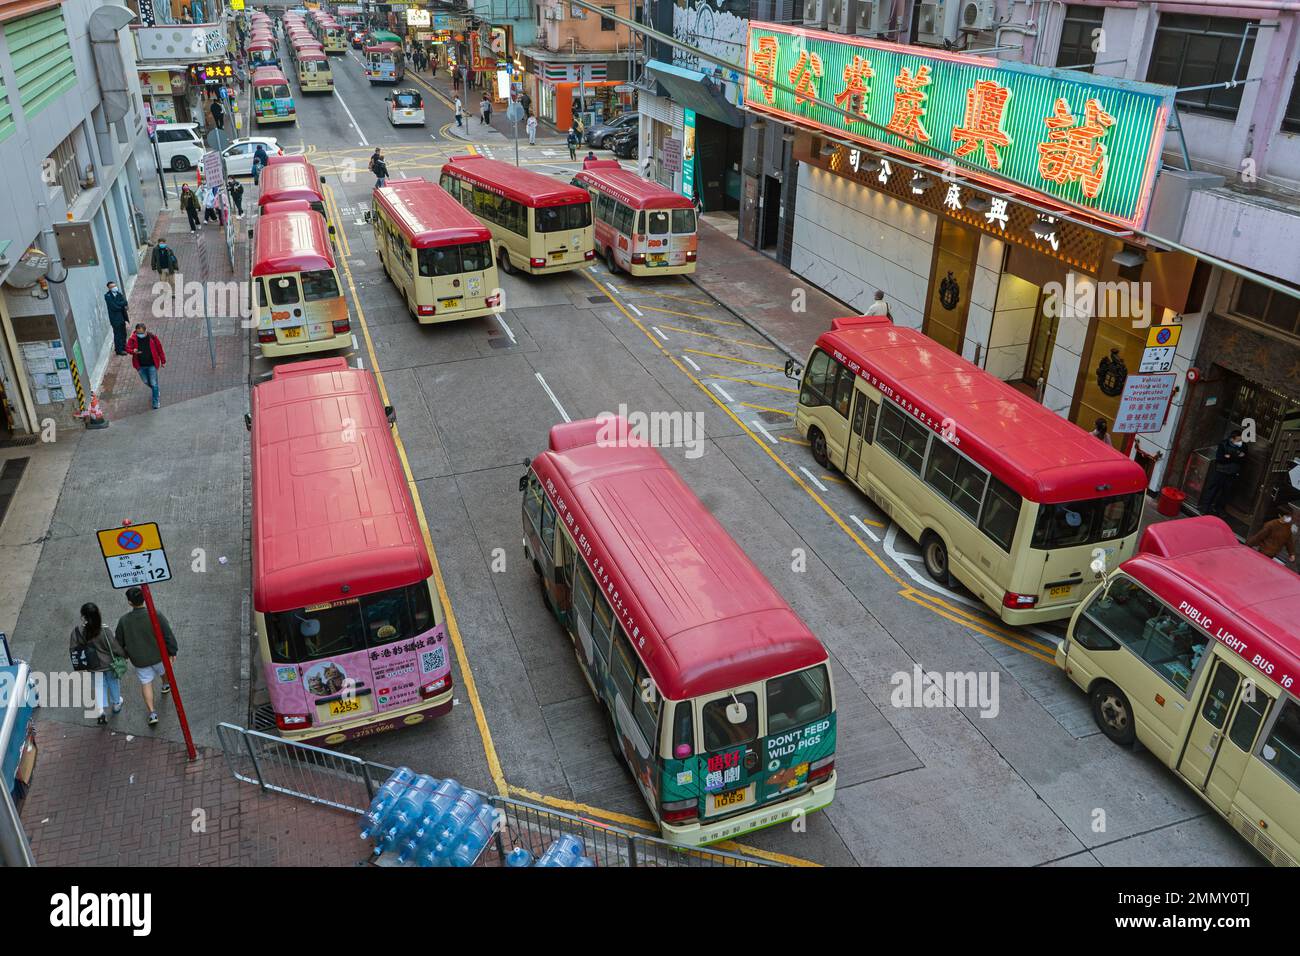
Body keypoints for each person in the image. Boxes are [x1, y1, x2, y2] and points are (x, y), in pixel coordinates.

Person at [114, 586, 179, 728]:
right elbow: (167, 634)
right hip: (159, 655)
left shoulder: (124, 621)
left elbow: (118, 642)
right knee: (164, 672)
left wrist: (125, 655)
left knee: (146, 683)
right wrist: (172, 651)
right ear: (144, 598)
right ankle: (165, 685)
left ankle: (152, 713)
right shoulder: (156, 614)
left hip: (139, 660)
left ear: (129, 602)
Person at [70, 603, 126, 725]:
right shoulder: (104, 630)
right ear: (98, 615)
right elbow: (114, 647)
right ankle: (116, 703)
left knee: (99, 686)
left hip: (92, 666)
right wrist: (123, 655)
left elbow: (74, 648)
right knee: (113, 682)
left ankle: (101, 710)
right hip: (109, 664)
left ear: (83, 617)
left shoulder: (78, 631)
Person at [1202, 428, 1248, 517]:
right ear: (1232, 439)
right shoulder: (1223, 444)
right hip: (1221, 471)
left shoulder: (1244, 446)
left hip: (1232, 473)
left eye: (1241, 440)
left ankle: (1219, 508)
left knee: (1226, 493)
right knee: (1213, 489)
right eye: (1238, 440)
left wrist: (1230, 457)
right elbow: (1221, 459)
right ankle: (1205, 508)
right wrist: (1236, 456)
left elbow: (1243, 460)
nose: (1240, 442)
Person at [125, 323, 166, 410]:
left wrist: (163, 361)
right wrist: (133, 351)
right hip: (140, 366)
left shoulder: (152, 338)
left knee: (154, 383)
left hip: (152, 365)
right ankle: (155, 390)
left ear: (145, 331)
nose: (140, 335)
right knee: (146, 381)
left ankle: (155, 401)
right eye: (138, 333)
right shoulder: (133, 339)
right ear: (136, 331)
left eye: (141, 333)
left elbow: (159, 349)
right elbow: (127, 348)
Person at [104, 281, 129, 356]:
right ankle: (119, 350)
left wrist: (118, 304)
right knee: (118, 334)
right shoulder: (107, 296)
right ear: (109, 288)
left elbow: (125, 302)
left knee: (123, 333)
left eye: (115, 285)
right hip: (115, 319)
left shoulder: (118, 294)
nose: (115, 287)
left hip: (122, 317)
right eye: (112, 286)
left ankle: (124, 347)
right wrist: (120, 305)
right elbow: (114, 307)